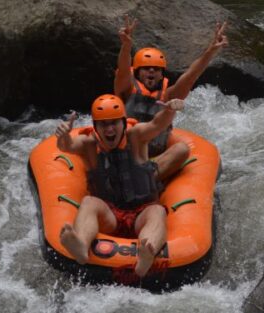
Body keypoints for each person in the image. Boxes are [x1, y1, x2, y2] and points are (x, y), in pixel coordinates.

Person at [55, 94, 185, 277]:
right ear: (95, 127)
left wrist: (170, 110)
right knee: (89, 202)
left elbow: (157, 124)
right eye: (103, 124)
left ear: (123, 123)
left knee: (157, 212)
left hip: (142, 211)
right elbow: (66, 146)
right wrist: (63, 135)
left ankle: (147, 254)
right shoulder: (88, 145)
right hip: (110, 214)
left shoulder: (137, 136)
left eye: (114, 123)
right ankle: (81, 247)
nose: (109, 129)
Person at [113, 16, 228, 179]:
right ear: (137, 72)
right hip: (127, 156)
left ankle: (145, 179)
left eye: (156, 69)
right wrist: (126, 46)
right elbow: (123, 71)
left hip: (156, 159)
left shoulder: (169, 96)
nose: (152, 71)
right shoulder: (125, 90)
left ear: (162, 75)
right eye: (146, 68)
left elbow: (191, 75)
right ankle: (138, 180)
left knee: (181, 149)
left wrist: (211, 51)